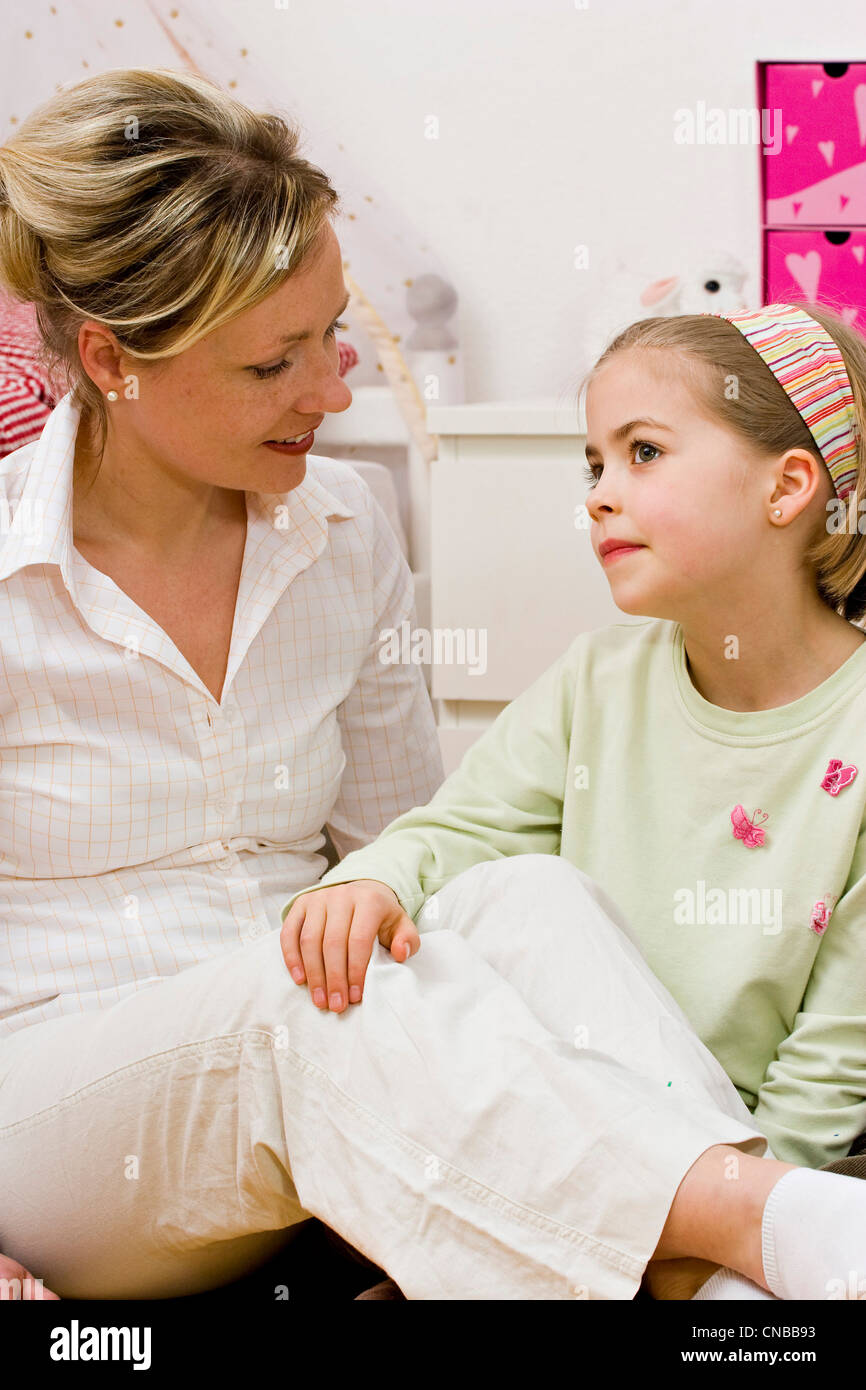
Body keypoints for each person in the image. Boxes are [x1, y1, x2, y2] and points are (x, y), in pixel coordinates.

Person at [0, 66, 855, 1305]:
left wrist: (413, 913)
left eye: (331, 335)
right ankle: (761, 1221)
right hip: (65, 1111)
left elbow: (410, 844)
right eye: (273, 364)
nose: (335, 390)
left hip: (317, 1070)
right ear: (110, 360)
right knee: (292, 1006)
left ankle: (723, 1276)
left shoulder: (342, 529)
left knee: (522, 892)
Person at [279, 299, 866, 1301]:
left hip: (768, 1156)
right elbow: (462, 827)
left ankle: (710, 1238)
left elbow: (834, 1055)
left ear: (787, 485)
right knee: (528, 895)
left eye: (641, 453)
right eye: (592, 467)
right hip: (574, 1131)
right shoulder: (596, 681)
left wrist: (761, 1190)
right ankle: (703, 1247)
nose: (598, 495)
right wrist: (369, 877)